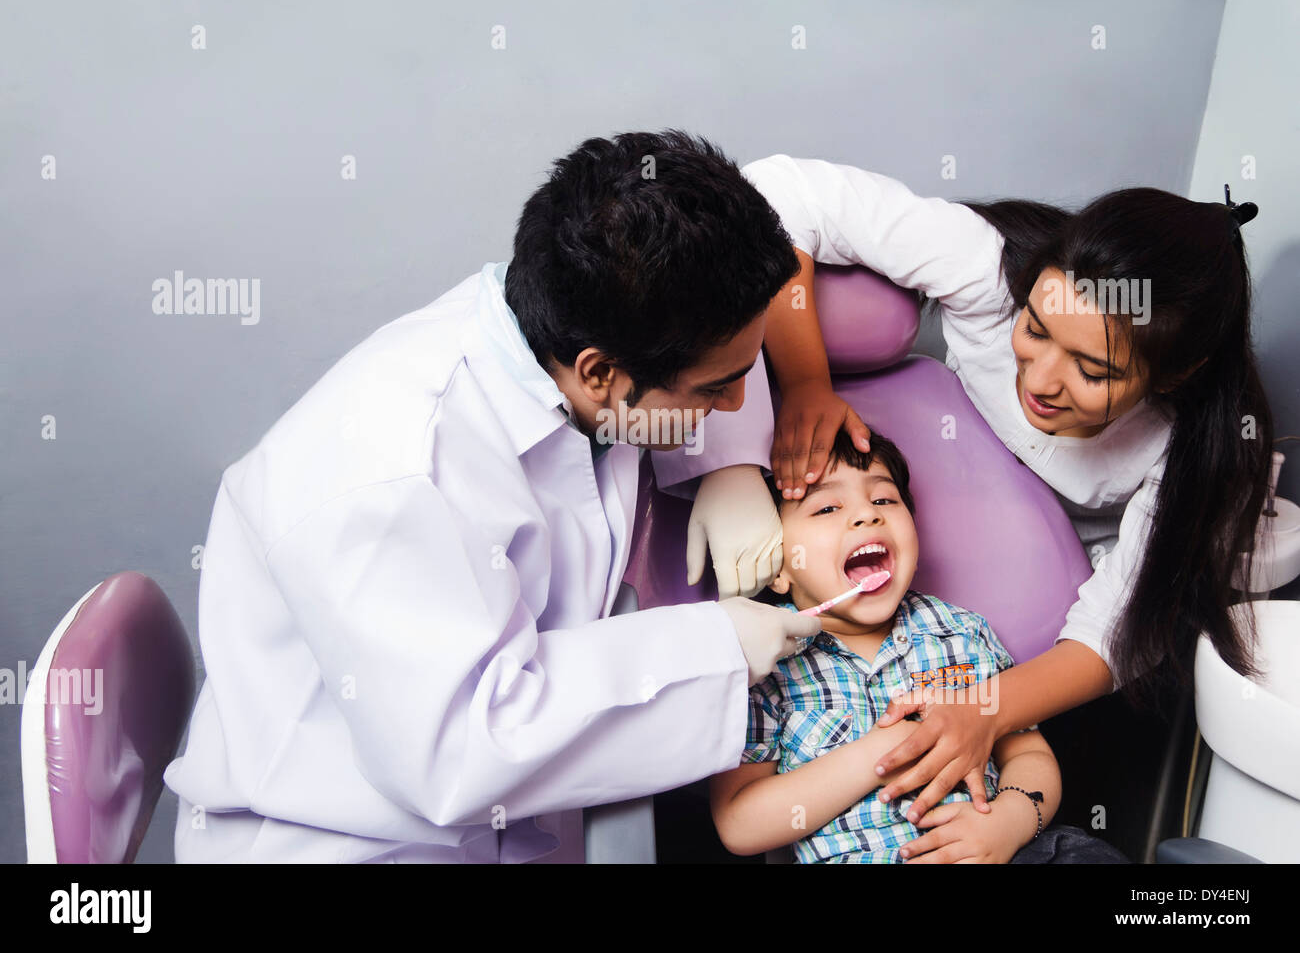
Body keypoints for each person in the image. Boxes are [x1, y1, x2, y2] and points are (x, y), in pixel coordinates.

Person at [163, 130, 820, 863]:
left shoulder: (579, 325)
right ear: (600, 373)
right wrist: (716, 646)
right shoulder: (398, 472)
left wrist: (729, 465)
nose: (736, 404)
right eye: (715, 391)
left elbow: (709, 329)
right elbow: (461, 751)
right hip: (344, 842)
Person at [731, 154, 1273, 822]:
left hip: (1050, 596)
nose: (1041, 381)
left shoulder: (1183, 451)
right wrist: (807, 380)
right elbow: (779, 190)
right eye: (1038, 331)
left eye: (1091, 370)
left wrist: (985, 713)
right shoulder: (988, 274)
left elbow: (1117, 629)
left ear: (1173, 374)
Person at [709, 427, 1127, 863]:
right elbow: (740, 824)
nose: (867, 516)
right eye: (828, 507)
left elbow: (1028, 754)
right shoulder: (764, 666)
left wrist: (1011, 820)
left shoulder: (961, 633)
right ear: (777, 566)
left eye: (885, 500)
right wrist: (880, 750)